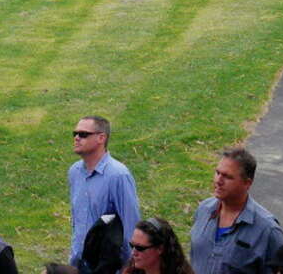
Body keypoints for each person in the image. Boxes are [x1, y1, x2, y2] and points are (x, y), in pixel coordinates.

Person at [188, 147, 283, 274]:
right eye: (217, 173)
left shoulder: (268, 230)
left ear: (247, 183)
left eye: (227, 177)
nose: (218, 181)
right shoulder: (203, 210)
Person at [67, 117, 140, 274]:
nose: (76, 138)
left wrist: (127, 268)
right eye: (75, 133)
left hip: (107, 267)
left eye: (83, 134)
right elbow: (76, 220)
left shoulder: (118, 175)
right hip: (79, 264)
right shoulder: (74, 172)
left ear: (101, 138)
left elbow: (131, 224)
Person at [121, 218, 191, 274]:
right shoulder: (130, 271)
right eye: (132, 245)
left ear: (160, 249)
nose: (133, 253)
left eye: (140, 248)